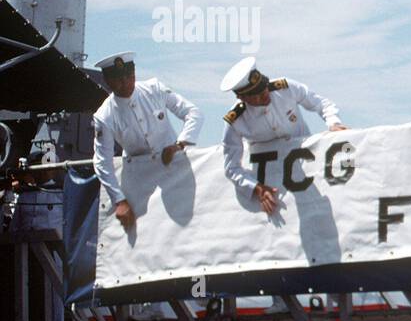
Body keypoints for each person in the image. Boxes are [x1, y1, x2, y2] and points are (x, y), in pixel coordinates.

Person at [220, 56, 348, 215]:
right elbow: (231, 168)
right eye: (256, 96)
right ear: (242, 98)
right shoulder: (236, 121)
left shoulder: (285, 88)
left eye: (264, 88)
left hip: (308, 166)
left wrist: (333, 122)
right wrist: (256, 188)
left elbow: (321, 103)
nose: (264, 95)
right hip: (275, 182)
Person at [91, 51, 204, 231]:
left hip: (174, 170)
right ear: (108, 81)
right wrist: (118, 200)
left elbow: (193, 113)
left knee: (188, 224)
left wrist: (181, 144)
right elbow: (102, 161)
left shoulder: (155, 89)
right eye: (119, 79)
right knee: (149, 231)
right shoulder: (105, 116)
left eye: (130, 76)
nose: (126, 82)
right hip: (140, 181)